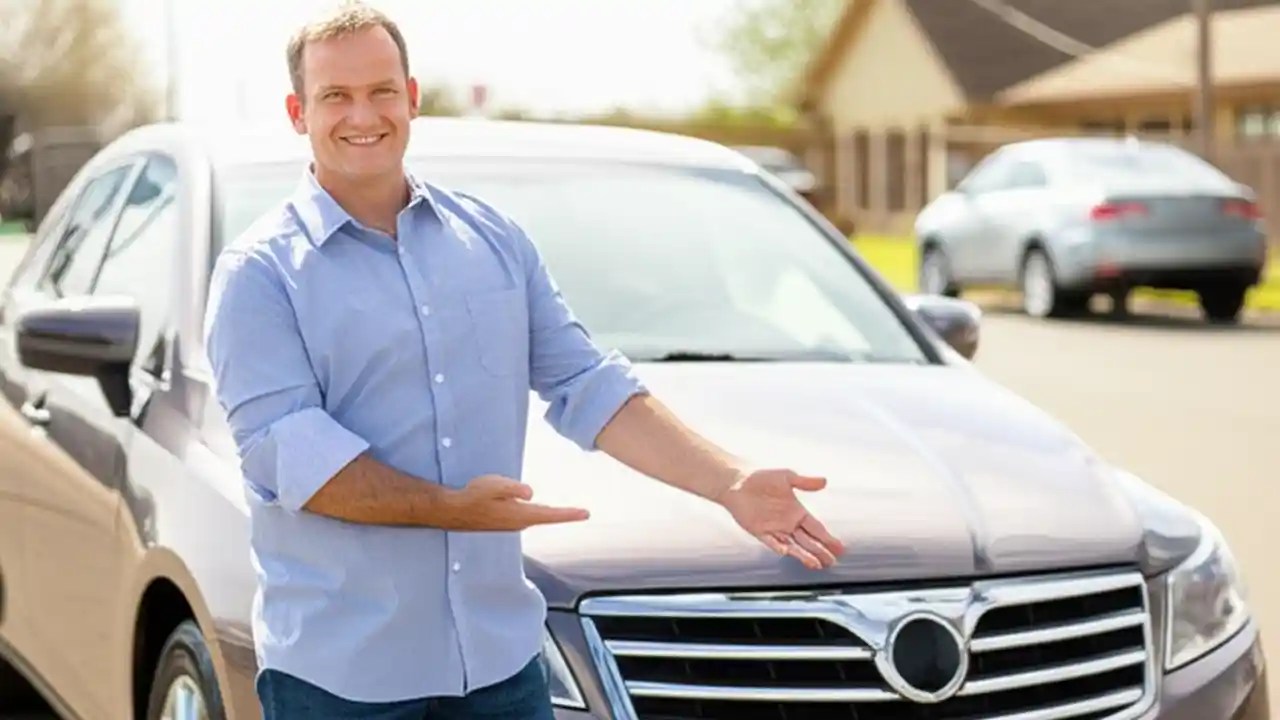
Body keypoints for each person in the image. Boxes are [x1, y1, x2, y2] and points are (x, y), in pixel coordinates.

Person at [202, 2, 846, 718]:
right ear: (299, 112)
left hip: (499, 663)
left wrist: (728, 482)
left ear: (412, 98)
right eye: (336, 96)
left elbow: (587, 383)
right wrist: (451, 512)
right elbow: (292, 456)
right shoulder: (258, 275)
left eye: (382, 90)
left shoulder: (493, 241)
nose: (364, 113)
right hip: (344, 678)